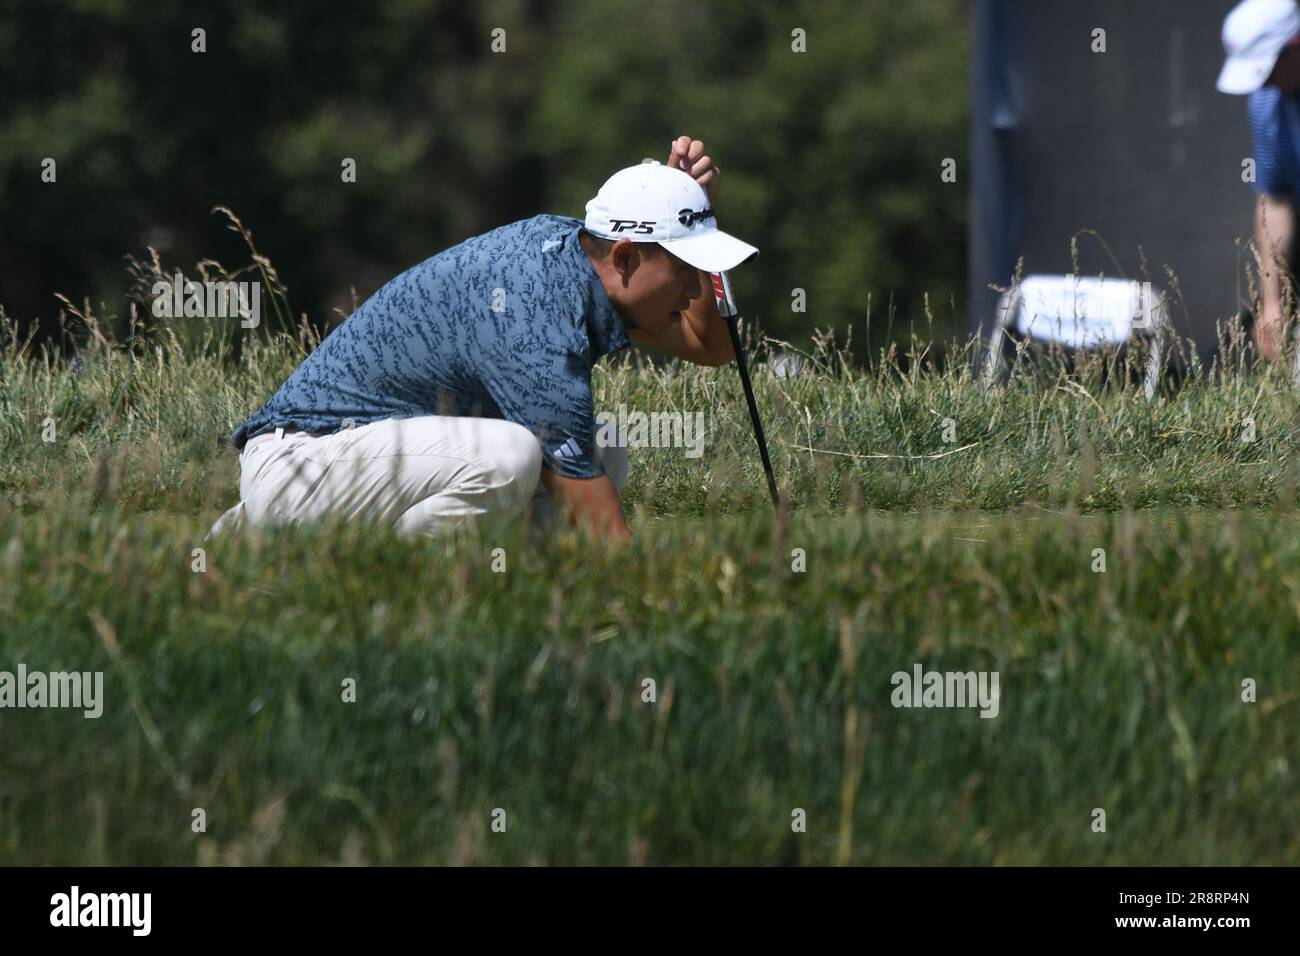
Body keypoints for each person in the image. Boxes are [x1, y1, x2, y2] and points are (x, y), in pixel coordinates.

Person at [204, 135, 758, 545]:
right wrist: (664, 616)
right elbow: (605, 534)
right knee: (513, 456)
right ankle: (384, 588)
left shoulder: (578, 256)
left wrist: (683, 211)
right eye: (688, 267)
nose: (695, 286)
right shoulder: (535, 316)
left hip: (350, 461)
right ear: (625, 257)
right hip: (299, 464)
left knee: (601, 446)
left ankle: (516, 607)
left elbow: (713, 347)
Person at [1218, 0, 1300, 361]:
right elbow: (1276, 199)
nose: (1262, 82)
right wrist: (1272, 303)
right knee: (1233, 356)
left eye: (1267, 69)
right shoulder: (1266, 103)